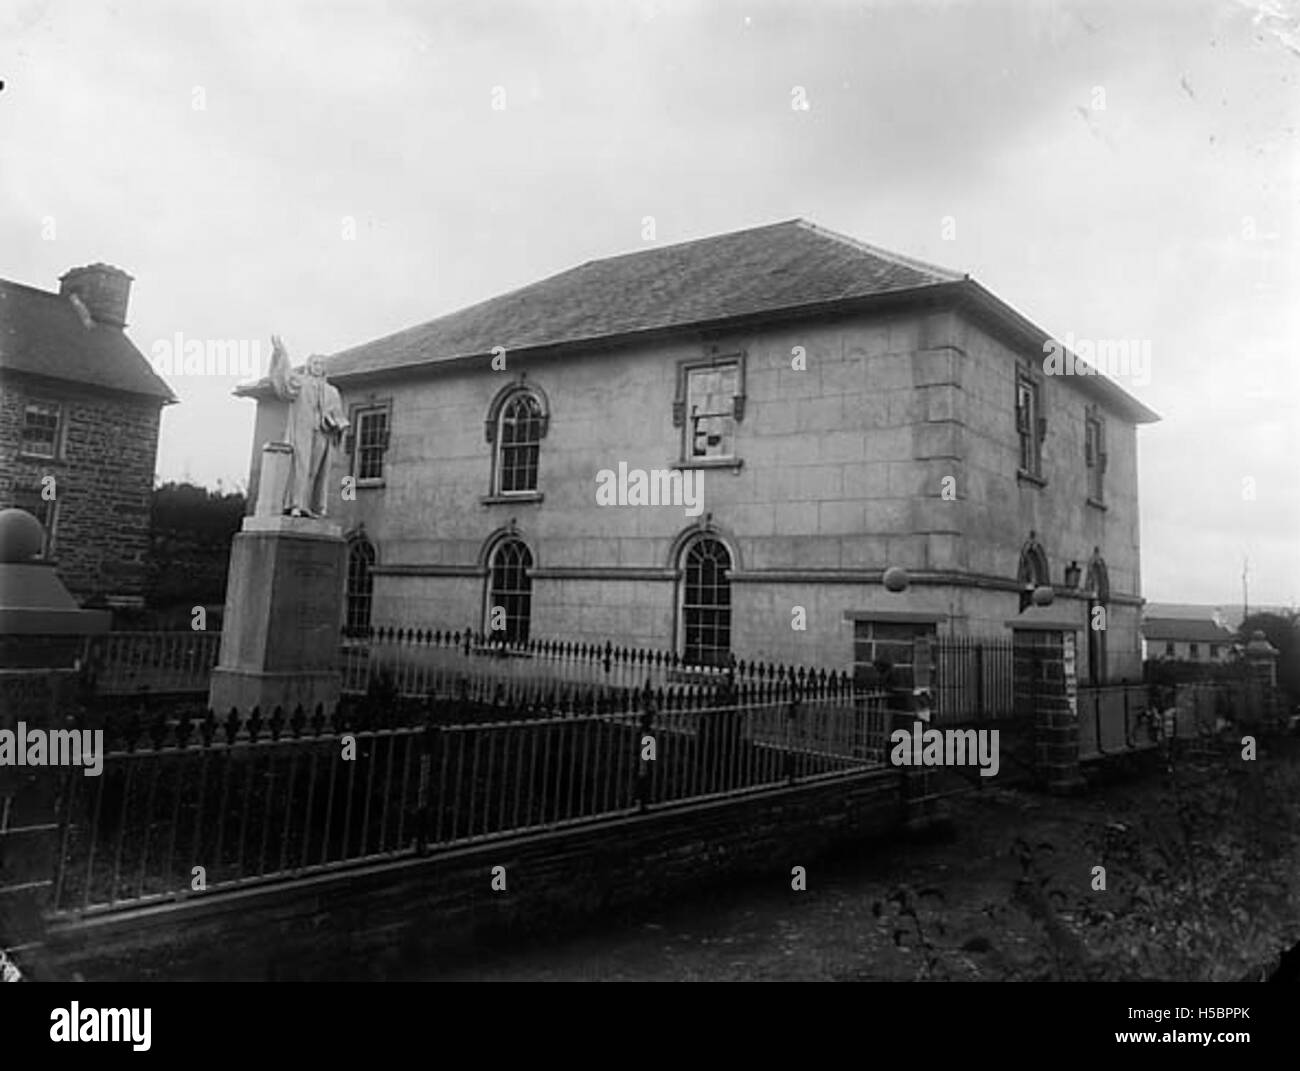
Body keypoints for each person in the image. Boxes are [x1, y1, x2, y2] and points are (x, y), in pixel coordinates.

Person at [267, 335, 350, 518]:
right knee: (300, 467)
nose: (318, 366)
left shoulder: (332, 392)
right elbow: (283, 380)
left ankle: (312, 506)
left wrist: (339, 426)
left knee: (316, 470)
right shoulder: (300, 383)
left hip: (322, 433)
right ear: (309, 365)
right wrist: (280, 353)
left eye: (321, 363)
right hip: (302, 431)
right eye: (315, 363)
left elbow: (339, 415)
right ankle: (296, 505)